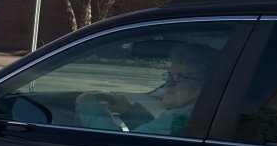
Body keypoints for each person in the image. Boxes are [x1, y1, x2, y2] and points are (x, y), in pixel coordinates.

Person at [76, 43, 218, 136]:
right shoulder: (199, 116)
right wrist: (130, 111)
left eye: (180, 77)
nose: (169, 82)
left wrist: (88, 107)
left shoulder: (177, 120)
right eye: (169, 75)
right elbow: (151, 134)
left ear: (205, 85)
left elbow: (117, 145)